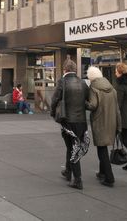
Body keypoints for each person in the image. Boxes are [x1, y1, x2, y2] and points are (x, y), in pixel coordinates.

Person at [51, 59, 89, 190]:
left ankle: (77, 179)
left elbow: (55, 99)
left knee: (73, 147)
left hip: (68, 120)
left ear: (64, 70)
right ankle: (68, 170)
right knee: (72, 146)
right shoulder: (83, 82)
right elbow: (88, 99)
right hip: (81, 120)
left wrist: (53, 113)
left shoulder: (62, 82)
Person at [85, 66, 120, 187]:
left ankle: (109, 178)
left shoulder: (93, 88)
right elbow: (117, 108)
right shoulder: (111, 88)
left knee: (101, 149)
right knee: (104, 146)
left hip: (100, 121)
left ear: (91, 77)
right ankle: (102, 172)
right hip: (112, 121)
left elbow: (93, 105)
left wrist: (84, 102)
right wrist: (119, 125)